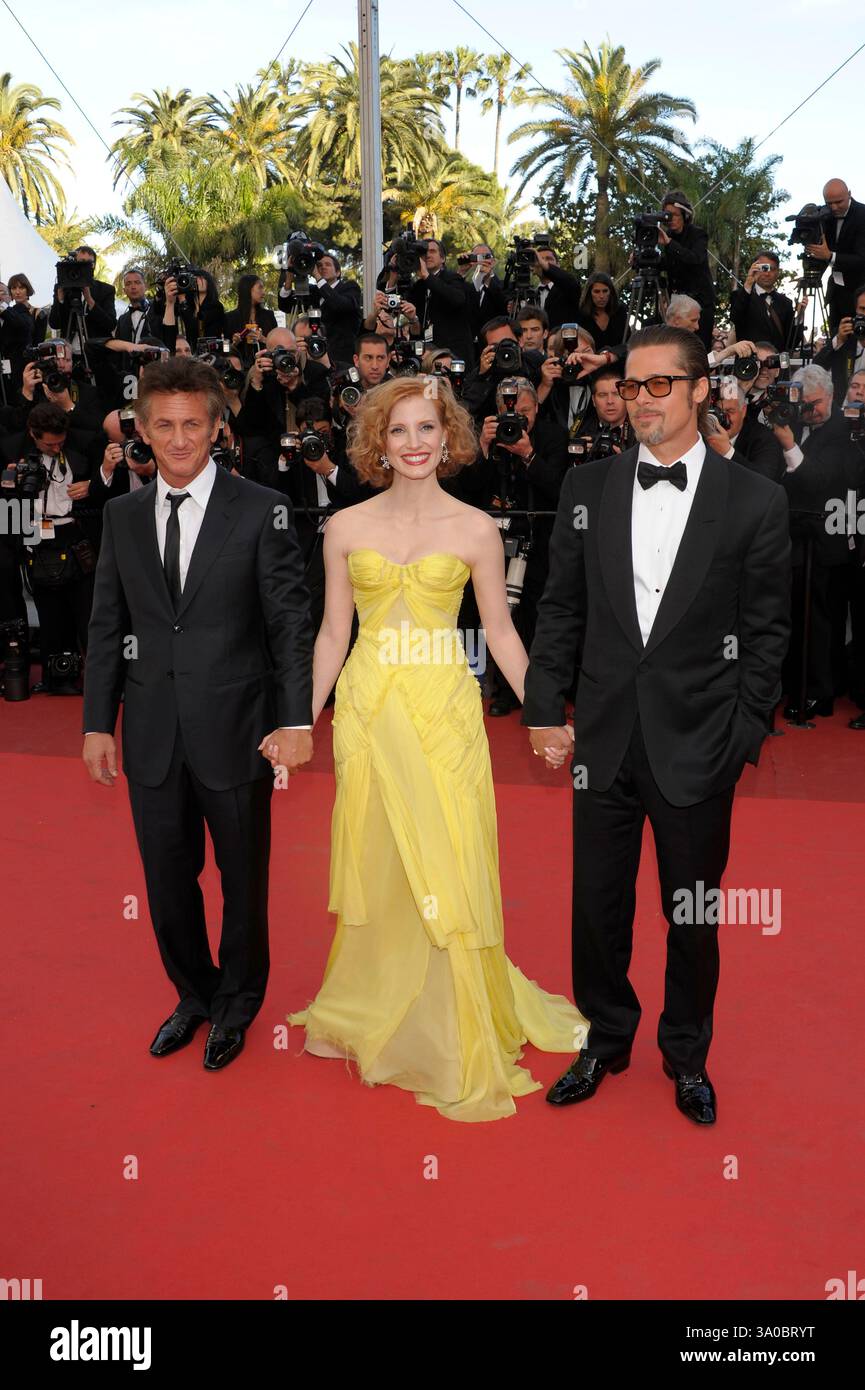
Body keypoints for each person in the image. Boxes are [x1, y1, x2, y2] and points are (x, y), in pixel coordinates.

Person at [279, 374, 588, 1121]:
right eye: (398, 430)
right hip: (367, 710)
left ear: (447, 437)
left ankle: (452, 1020)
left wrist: (543, 713)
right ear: (377, 442)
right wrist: (299, 719)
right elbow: (332, 633)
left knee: (448, 855)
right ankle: (373, 999)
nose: (413, 443)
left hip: (443, 710)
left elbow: (502, 632)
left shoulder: (476, 529)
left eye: (426, 428)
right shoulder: (344, 527)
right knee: (380, 854)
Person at [522, 324, 790, 1124]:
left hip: (698, 743)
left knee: (692, 916)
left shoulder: (754, 500)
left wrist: (741, 735)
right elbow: (559, 609)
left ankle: (686, 1054)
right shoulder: (586, 488)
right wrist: (543, 708)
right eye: (630, 386)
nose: (640, 400)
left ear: (699, 389)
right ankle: (604, 1039)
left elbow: (766, 633)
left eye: (658, 385)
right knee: (595, 908)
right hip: (600, 739)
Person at [81, 355, 315, 1072]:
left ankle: (237, 1004)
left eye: (192, 424)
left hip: (238, 729)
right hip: (152, 731)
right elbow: (106, 624)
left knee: (243, 881)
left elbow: (289, 624)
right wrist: (97, 722)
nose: (178, 439)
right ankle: (194, 993)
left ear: (216, 427)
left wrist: (294, 720)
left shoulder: (262, 507)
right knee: (166, 880)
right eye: (164, 426)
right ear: (142, 431)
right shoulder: (121, 515)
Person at [804, 179, 865, 334]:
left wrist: (830, 256)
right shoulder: (824, 215)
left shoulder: (862, 214)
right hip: (836, 293)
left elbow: (862, 258)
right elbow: (821, 250)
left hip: (860, 293)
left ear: (849, 194)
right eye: (829, 203)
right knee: (836, 341)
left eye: (838, 202)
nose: (834, 207)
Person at [657, 191, 715, 350]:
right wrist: (643, 258)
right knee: (678, 347)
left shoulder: (698, 234)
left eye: (675, 215)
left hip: (700, 303)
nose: (671, 219)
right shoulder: (668, 236)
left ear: (685, 215)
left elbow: (695, 259)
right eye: (667, 215)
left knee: (698, 348)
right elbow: (669, 265)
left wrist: (669, 243)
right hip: (678, 304)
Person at [730, 251, 795, 351]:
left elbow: (791, 341)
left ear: (778, 272)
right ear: (755, 269)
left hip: (777, 359)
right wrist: (748, 283)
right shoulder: (740, 296)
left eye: (772, 269)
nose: (767, 273)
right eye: (763, 268)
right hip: (749, 358)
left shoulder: (786, 302)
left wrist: (800, 316)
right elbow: (735, 317)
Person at [577, 272, 627, 351]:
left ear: (610, 291)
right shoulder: (581, 314)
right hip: (589, 357)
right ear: (589, 293)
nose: (601, 296)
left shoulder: (620, 311)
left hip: (618, 357)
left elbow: (627, 341)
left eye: (605, 291)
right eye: (596, 291)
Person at [223, 273, 277, 347]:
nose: (263, 293)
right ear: (248, 289)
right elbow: (224, 349)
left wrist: (263, 339)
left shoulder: (269, 316)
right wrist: (234, 343)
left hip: (265, 354)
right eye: (260, 288)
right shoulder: (230, 318)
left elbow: (277, 346)